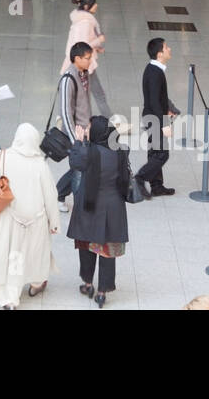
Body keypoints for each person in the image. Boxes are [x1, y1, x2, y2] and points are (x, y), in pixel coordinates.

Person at [0, 122, 60, 309]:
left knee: (9, 257)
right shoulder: (40, 164)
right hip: (34, 220)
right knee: (33, 255)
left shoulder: (1, 157)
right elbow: (51, 196)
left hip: (6, 218)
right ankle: (36, 283)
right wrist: (54, 222)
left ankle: (9, 299)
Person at [67, 116, 132, 307]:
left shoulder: (89, 151)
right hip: (113, 208)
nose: (87, 129)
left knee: (88, 247)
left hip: (90, 206)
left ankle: (87, 284)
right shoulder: (121, 150)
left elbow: (75, 163)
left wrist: (79, 142)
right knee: (106, 252)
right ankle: (103, 291)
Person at [54, 40, 111, 207]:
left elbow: (84, 103)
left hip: (85, 130)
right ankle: (79, 205)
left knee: (81, 167)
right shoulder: (68, 79)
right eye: (87, 58)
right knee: (80, 168)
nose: (90, 61)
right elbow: (65, 111)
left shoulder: (84, 74)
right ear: (76, 59)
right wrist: (76, 140)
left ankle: (59, 194)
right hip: (76, 134)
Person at [134, 37, 179, 199]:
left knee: (155, 153)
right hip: (154, 118)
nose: (169, 49)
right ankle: (139, 178)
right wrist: (164, 124)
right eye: (167, 47)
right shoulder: (154, 73)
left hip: (154, 115)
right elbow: (153, 100)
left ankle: (157, 186)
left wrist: (168, 109)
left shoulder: (156, 69)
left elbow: (158, 96)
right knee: (161, 154)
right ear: (160, 54)